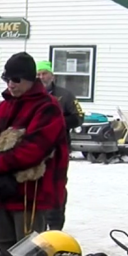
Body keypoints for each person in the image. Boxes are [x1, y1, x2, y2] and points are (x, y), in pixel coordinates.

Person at [0, 52, 68, 256]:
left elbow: (34, 150)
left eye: (16, 79)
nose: (11, 84)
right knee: (5, 247)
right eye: (7, 79)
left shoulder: (47, 106)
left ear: (31, 79)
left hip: (32, 193)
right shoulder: (5, 105)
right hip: (4, 190)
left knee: (29, 252)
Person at [35, 60, 81, 232]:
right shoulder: (31, 96)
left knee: (56, 187)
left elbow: (78, 117)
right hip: (36, 152)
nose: (41, 77)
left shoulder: (65, 95)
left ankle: (55, 226)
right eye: (38, 74)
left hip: (58, 151)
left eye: (44, 73)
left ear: (52, 75)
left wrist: (57, 123)